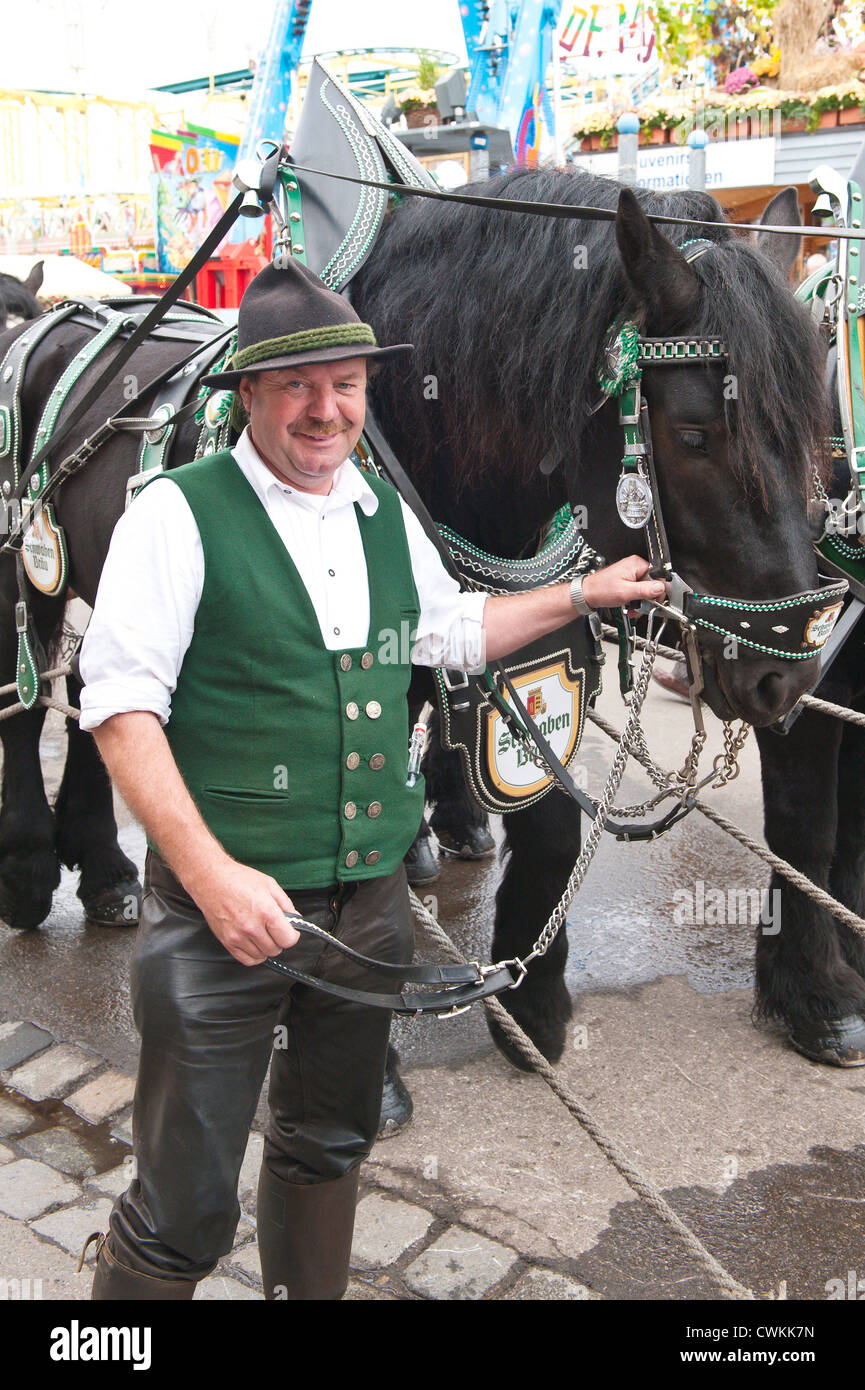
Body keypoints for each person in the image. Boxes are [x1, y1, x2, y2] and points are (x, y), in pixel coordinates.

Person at [78, 257, 665, 1300]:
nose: (324, 408)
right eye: (297, 385)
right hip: (223, 918)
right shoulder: (175, 513)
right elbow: (121, 710)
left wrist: (581, 592)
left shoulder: (378, 512)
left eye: (345, 383)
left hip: (367, 913)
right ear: (248, 394)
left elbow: (455, 630)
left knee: (330, 1145)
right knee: (182, 1212)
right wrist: (211, 878)